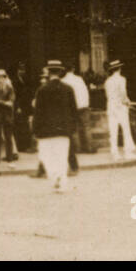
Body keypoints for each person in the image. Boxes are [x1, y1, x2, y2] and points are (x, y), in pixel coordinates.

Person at [33, 60, 78, 192]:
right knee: (62, 157)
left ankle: (54, 179)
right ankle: (61, 181)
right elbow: (73, 110)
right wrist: (72, 128)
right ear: (60, 72)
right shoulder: (68, 89)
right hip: (63, 130)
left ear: (48, 72)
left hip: (46, 131)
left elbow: (38, 112)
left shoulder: (42, 90)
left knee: (47, 157)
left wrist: (35, 130)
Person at [104, 60, 136, 161]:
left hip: (111, 106)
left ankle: (115, 153)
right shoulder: (121, 79)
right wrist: (127, 101)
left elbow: (108, 95)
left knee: (113, 130)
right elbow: (123, 93)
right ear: (119, 69)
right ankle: (128, 152)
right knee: (125, 129)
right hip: (120, 107)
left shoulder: (108, 81)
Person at [63, 65, 93, 154]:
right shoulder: (79, 79)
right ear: (73, 69)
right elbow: (85, 91)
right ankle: (89, 147)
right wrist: (87, 104)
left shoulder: (64, 81)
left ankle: (77, 149)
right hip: (83, 105)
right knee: (86, 127)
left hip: (72, 107)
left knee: (74, 128)